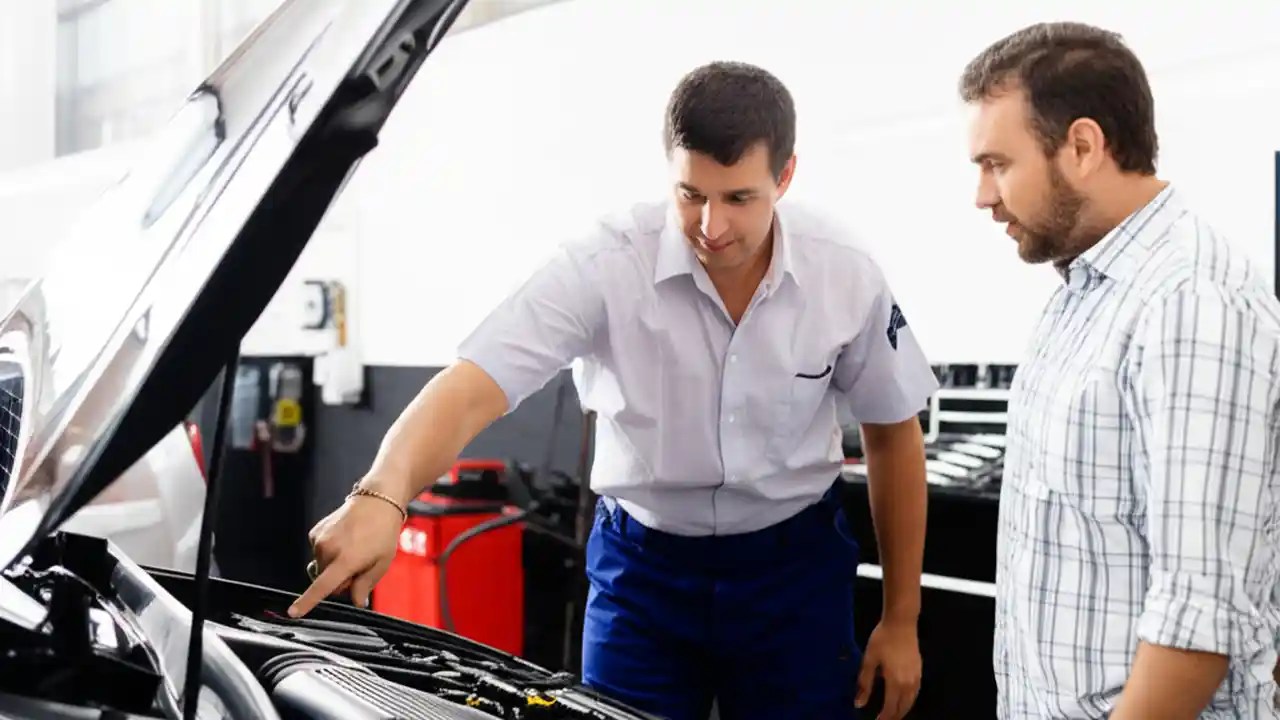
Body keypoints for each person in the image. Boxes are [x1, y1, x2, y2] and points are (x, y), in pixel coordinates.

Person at [290, 60, 937, 720]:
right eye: (690, 195)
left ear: (785, 177)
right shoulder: (604, 264)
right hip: (644, 576)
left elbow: (892, 435)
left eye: (738, 198)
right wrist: (382, 493)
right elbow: (474, 385)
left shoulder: (845, 273)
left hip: (792, 573)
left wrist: (901, 619)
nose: (711, 226)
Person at [960, 21, 1280, 720]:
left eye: (997, 164)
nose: (983, 196)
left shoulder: (1191, 304)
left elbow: (1195, 623)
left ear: (1082, 145)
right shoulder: (1086, 290)